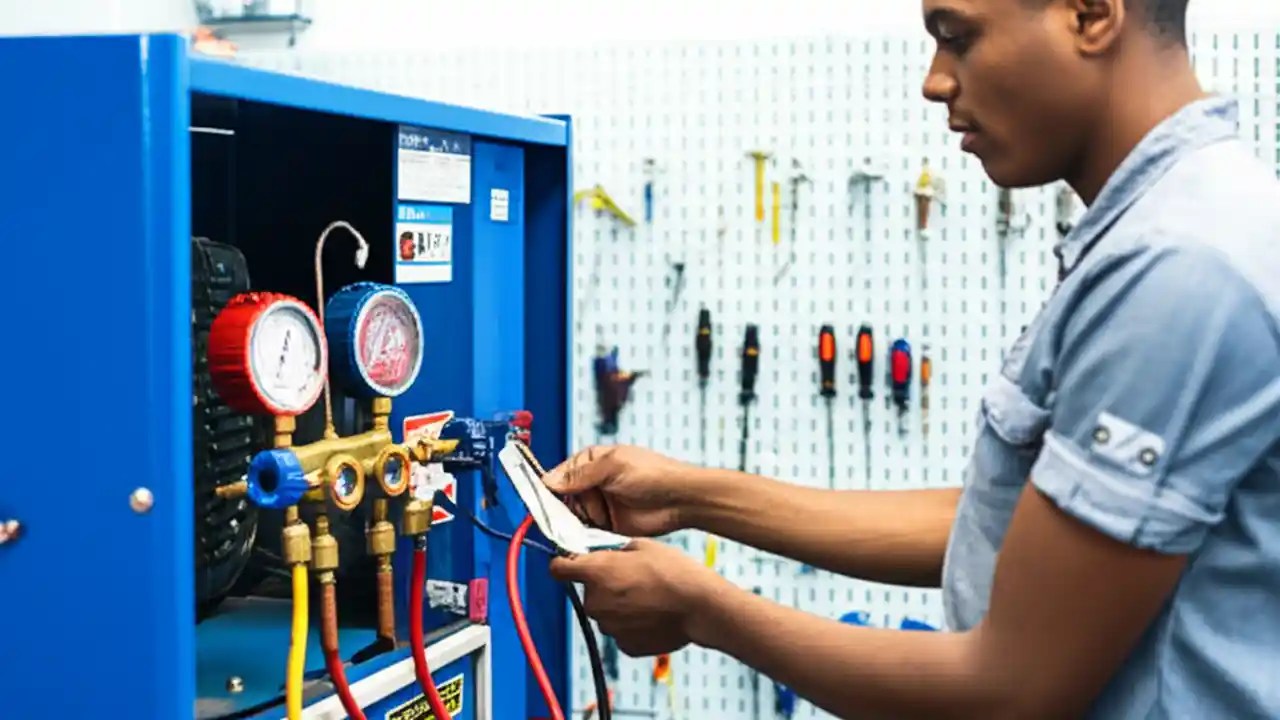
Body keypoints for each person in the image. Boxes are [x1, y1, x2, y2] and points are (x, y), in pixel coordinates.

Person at [542, 0, 1280, 717]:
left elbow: (1010, 691)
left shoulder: (1179, 268)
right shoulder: (1176, 224)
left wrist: (704, 611)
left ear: (1089, 14)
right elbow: (1008, 531)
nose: (935, 79)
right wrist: (687, 497)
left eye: (956, 35)